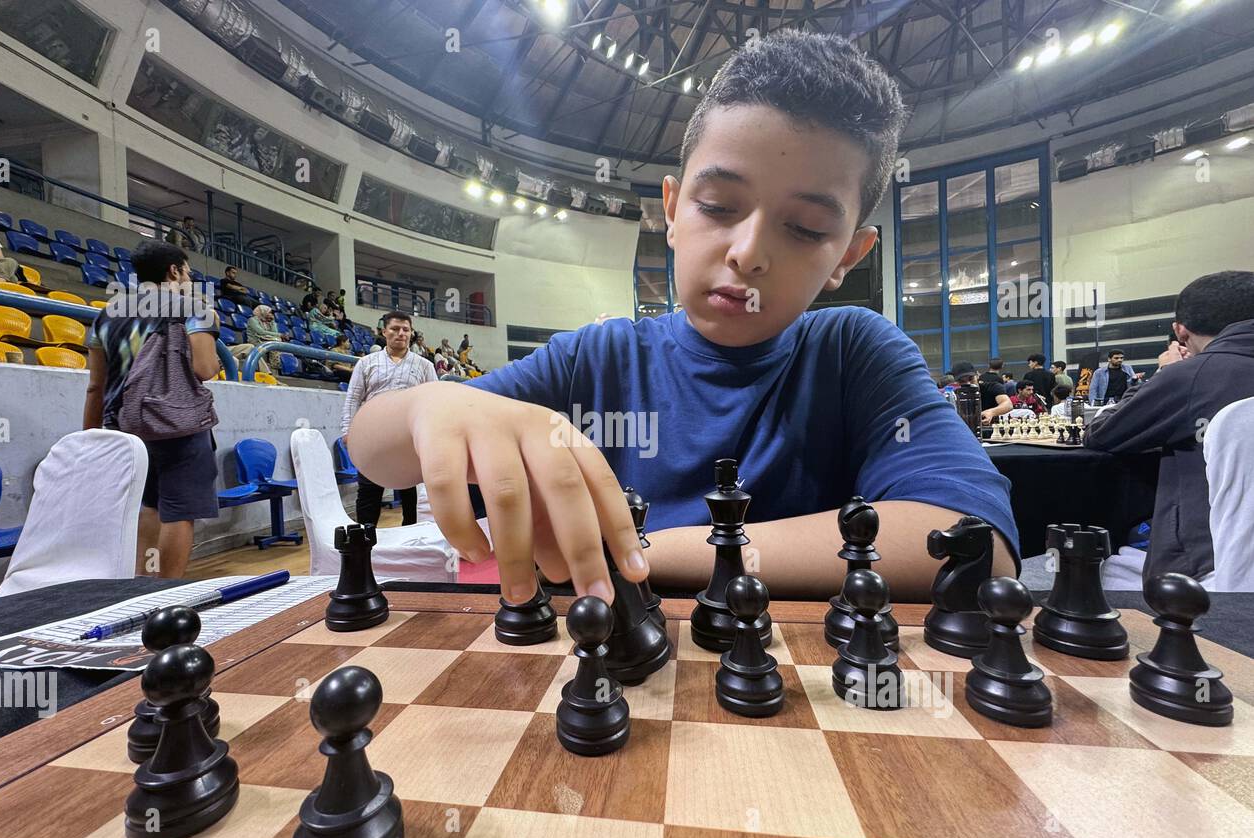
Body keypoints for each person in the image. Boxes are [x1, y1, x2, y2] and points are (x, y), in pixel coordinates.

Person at [348, 30, 1018, 605]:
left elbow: (974, 543)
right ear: (670, 211)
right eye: (719, 207)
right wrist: (430, 406)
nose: (748, 253)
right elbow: (372, 450)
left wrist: (638, 551)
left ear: (848, 254)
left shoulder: (854, 352)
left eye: (805, 228)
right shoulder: (596, 359)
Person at [1085, 271, 1254, 582]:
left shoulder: (1193, 376)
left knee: (1104, 573)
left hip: (1203, 569)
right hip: (1234, 567)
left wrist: (1165, 374)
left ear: (1181, 332)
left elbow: (1101, 434)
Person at [82, 241, 221, 579]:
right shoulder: (193, 308)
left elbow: (96, 386)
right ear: (174, 271)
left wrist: (91, 438)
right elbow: (205, 369)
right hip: (178, 425)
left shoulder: (107, 313)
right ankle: (168, 589)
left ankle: (144, 586)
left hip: (125, 427)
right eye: (187, 272)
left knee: (148, 506)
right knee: (179, 512)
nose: (189, 279)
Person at [340, 311, 437, 526]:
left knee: (410, 491)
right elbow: (353, 398)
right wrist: (347, 431)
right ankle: (366, 536)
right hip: (372, 435)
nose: (401, 333)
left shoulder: (424, 366)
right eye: (395, 329)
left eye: (406, 330)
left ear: (411, 333)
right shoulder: (366, 363)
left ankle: (412, 534)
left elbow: (434, 401)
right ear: (384, 332)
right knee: (369, 489)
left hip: (408, 437)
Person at [229, 303, 286, 377]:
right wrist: (280, 335)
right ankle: (271, 370)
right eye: (269, 312)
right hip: (256, 340)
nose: (271, 314)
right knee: (275, 341)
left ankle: (274, 367)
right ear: (263, 311)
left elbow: (274, 332)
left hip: (266, 340)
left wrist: (272, 322)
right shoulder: (252, 320)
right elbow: (260, 332)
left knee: (276, 343)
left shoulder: (269, 321)